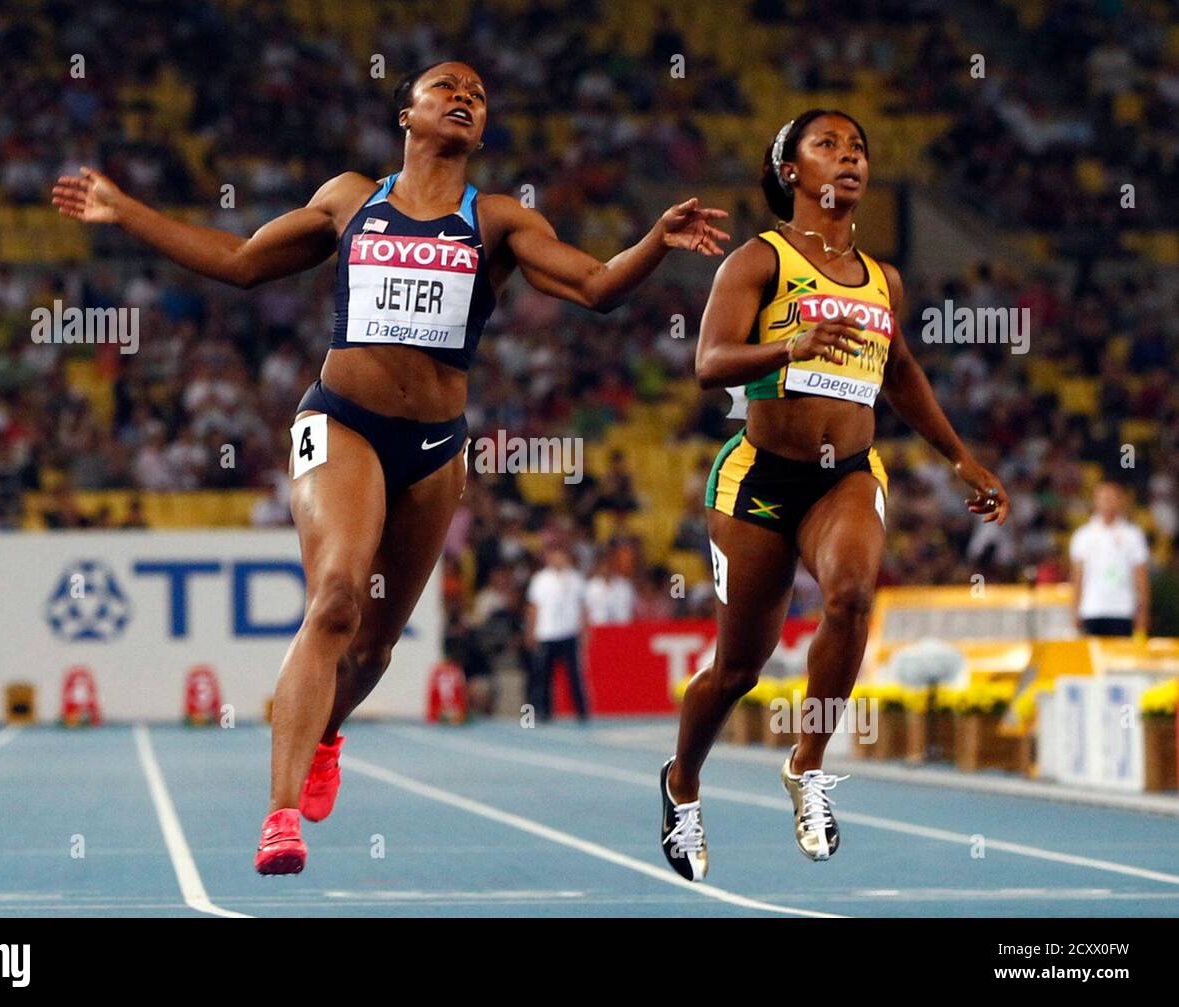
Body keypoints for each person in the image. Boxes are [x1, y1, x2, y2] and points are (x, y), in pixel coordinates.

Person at [52, 60, 728, 876]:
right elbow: (238, 261)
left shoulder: (500, 220)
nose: (464, 98)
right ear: (404, 112)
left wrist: (655, 240)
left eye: (478, 95)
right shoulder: (349, 200)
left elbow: (595, 287)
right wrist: (124, 210)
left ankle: (328, 732)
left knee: (374, 648)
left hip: (437, 448)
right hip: (340, 422)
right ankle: (278, 813)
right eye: (445, 87)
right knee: (335, 597)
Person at [660, 109, 1009, 881]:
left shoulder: (884, 278)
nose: (848, 159)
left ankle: (807, 762)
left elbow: (901, 372)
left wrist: (960, 457)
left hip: (845, 474)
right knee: (740, 668)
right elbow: (710, 362)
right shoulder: (760, 260)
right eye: (828, 147)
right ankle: (683, 781)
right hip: (759, 477)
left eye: (858, 149)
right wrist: (790, 346)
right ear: (792, 170)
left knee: (852, 597)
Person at [1070, 480, 1149, 638]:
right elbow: (1077, 577)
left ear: (1121, 501)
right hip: (1092, 609)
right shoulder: (1083, 536)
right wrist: (1075, 610)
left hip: (1123, 610)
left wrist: (1143, 612)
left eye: (1111, 497)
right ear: (1095, 501)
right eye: (1103, 497)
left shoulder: (1133, 535)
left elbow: (1140, 577)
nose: (1107, 502)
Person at [525, 545, 590, 721]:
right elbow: (533, 608)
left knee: (575, 675)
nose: (558, 559)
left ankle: (582, 712)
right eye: (555, 556)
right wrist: (531, 632)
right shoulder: (540, 580)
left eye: (561, 555)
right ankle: (544, 711)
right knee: (544, 675)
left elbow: (582, 607)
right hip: (546, 632)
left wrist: (584, 630)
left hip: (569, 632)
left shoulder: (576, 578)